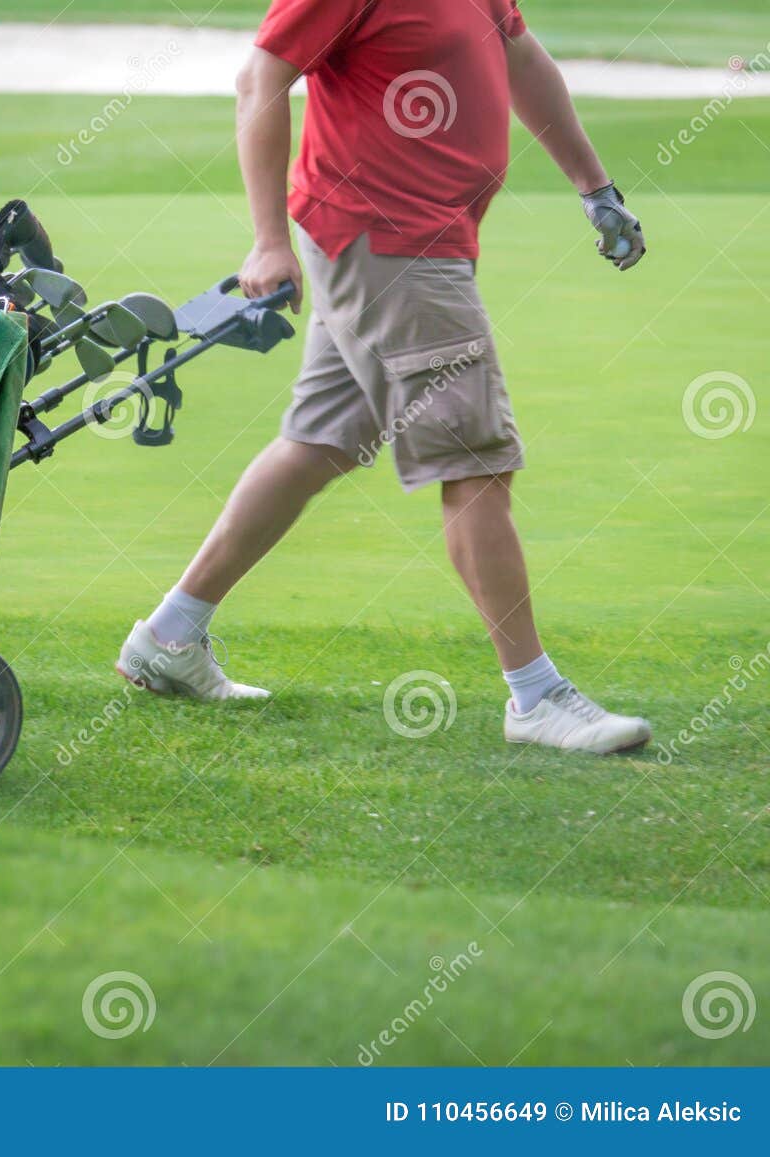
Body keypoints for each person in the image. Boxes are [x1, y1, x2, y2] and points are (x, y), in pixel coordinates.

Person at [116, 0, 652, 754]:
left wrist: (595, 187)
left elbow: (522, 61)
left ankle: (169, 635)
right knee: (473, 457)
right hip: (390, 242)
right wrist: (268, 241)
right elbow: (260, 79)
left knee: (321, 441)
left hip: (409, 240)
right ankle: (536, 697)